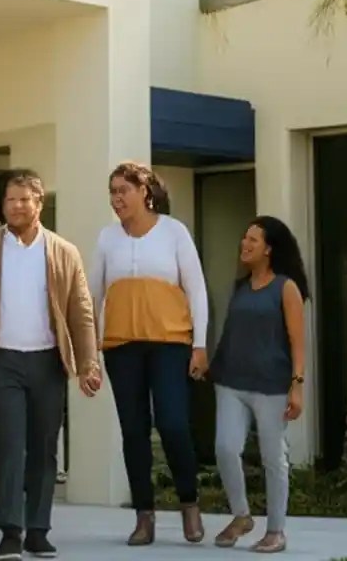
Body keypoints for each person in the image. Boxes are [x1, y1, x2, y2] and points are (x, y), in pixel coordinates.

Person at [0, 170, 100, 561]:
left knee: (45, 447)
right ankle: (10, 532)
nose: (15, 206)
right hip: (1, 361)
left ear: (39, 204)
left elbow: (81, 311)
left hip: (48, 361)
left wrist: (88, 363)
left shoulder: (64, 251)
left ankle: (39, 530)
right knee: (11, 444)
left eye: (23, 199)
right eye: (9, 200)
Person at [91, 161, 209, 546]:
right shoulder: (107, 238)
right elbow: (92, 296)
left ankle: (189, 504)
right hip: (121, 346)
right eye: (112, 192)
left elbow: (197, 290)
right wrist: (89, 350)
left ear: (144, 191)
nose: (116, 198)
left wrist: (200, 344)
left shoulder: (174, 232)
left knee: (173, 424)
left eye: (123, 190)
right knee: (133, 431)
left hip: (170, 344)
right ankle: (144, 516)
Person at [209, 217, 309, 554]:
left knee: (273, 458)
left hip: (271, 386)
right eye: (244, 238)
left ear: (269, 249)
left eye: (253, 239)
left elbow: (297, 342)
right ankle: (242, 516)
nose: (245, 244)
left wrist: (297, 385)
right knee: (225, 448)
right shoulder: (240, 287)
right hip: (231, 382)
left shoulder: (286, 287)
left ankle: (276, 531)